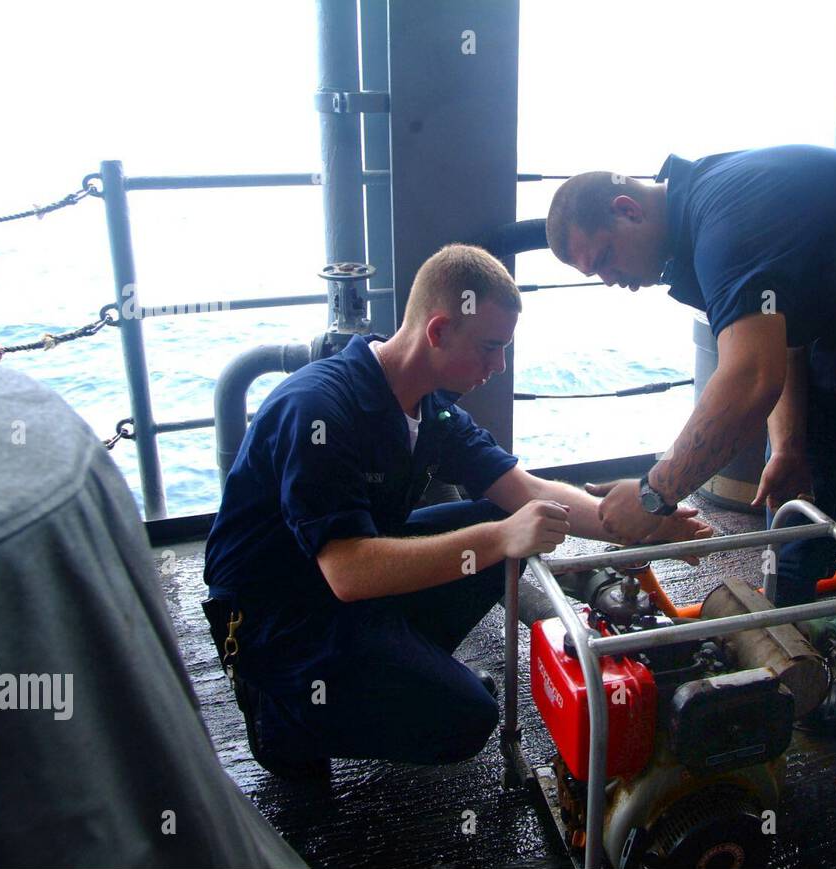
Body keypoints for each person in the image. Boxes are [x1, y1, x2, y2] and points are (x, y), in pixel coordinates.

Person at [203, 244, 709, 779]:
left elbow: (524, 489)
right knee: (466, 718)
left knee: (484, 521)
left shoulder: (431, 409)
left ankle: (400, 670)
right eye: (491, 347)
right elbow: (349, 572)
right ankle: (283, 716)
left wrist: (638, 521)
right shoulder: (318, 411)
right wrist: (501, 538)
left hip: (347, 586)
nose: (500, 365)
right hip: (279, 618)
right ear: (438, 331)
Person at [545, 145, 836, 711]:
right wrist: (789, 445)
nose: (613, 281)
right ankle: (793, 630)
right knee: (810, 490)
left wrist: (654, 494)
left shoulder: (722, 226)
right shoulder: (699, 218)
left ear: (628, 210)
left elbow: (748, 378)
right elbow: (781, 336)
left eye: (607, 260)